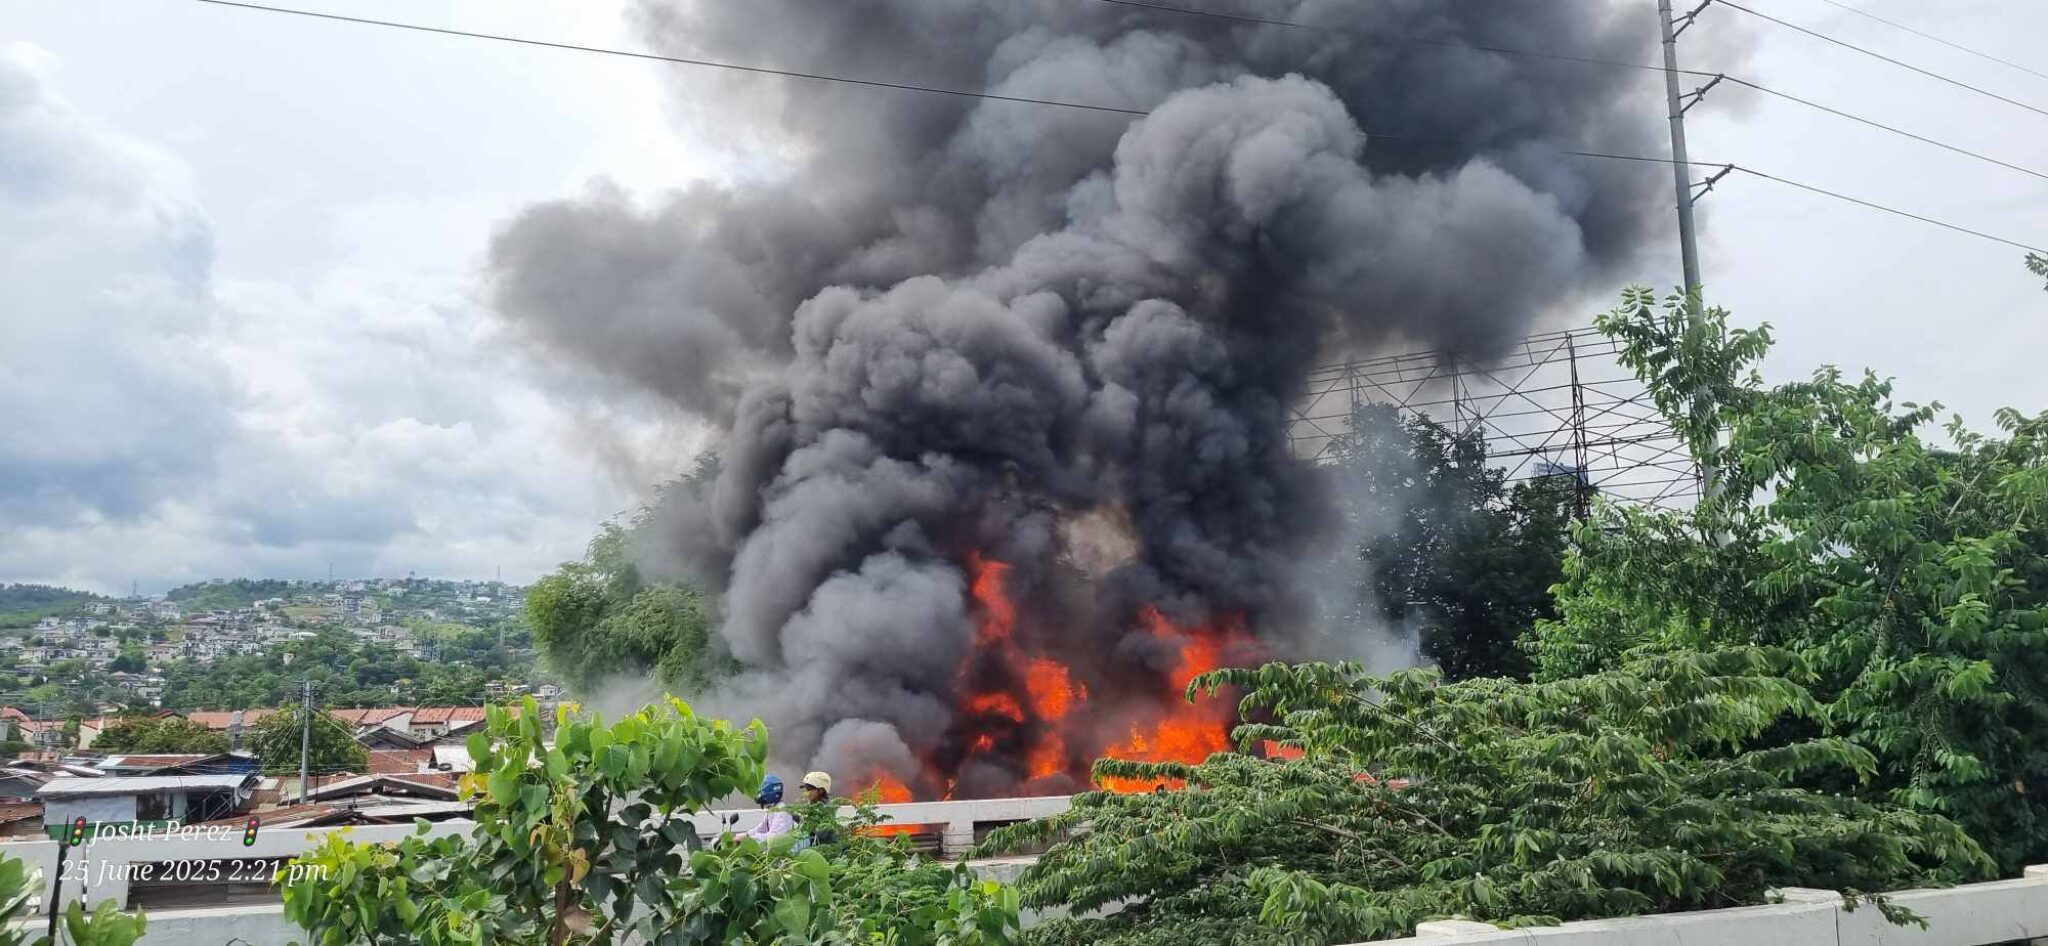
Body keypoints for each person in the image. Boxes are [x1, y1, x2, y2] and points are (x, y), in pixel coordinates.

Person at [741, 775, 796, 844]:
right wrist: (746, 835)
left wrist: (749, 838)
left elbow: (773, 838)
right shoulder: (772, 810)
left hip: (787, 852)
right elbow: (761, 828)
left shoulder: (782, 812)